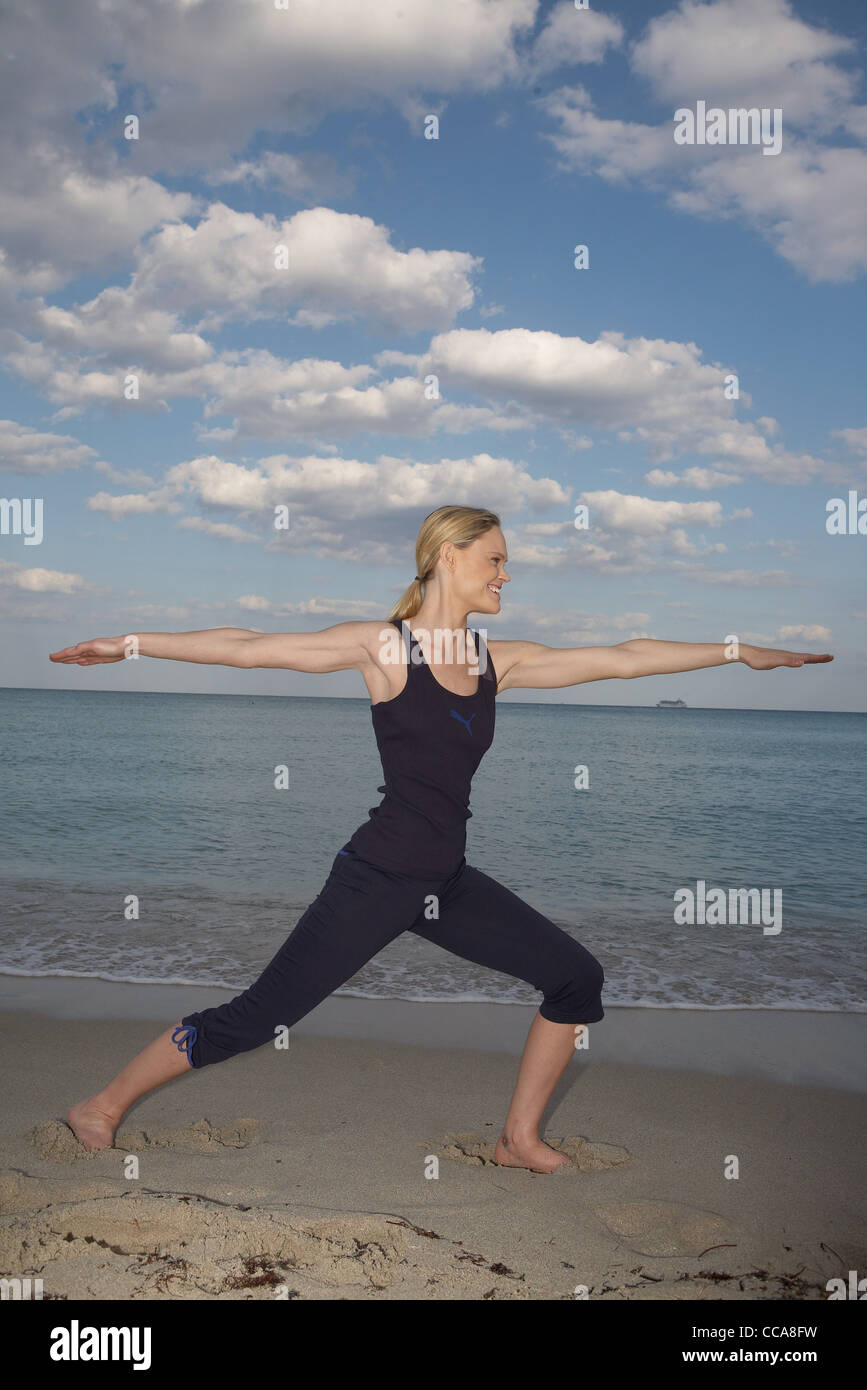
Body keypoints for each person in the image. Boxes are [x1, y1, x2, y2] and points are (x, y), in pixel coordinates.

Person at [49, 504, 832, 1173]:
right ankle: (101, 1104)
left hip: (443, 883)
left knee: (574, 980)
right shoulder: (386, 647)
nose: (505, 575)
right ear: (448, 557)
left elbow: (624, 660)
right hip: (376, 877)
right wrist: (129, 642)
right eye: (495, 559)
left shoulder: (498, 660)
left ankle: (517, 1138)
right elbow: (249, 645)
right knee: (257, 1019)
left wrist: (736, 651)